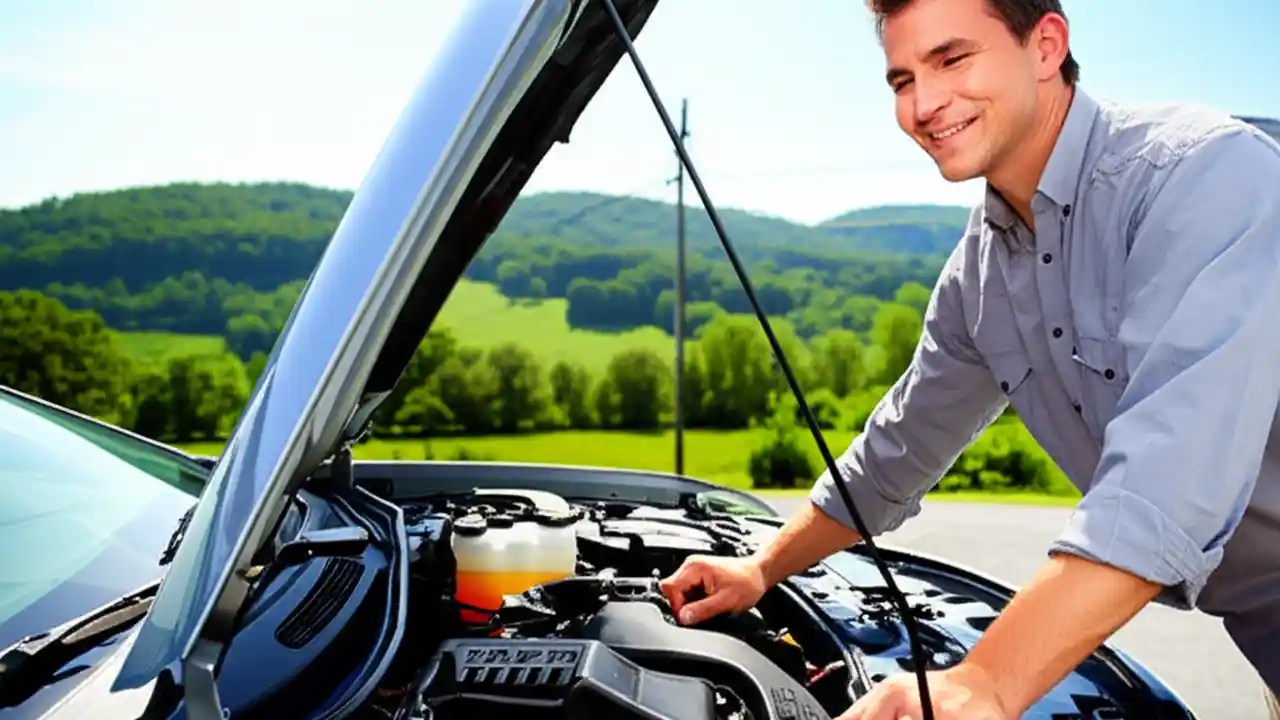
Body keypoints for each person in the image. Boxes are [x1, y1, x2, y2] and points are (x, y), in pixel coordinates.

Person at [658, 0, 1280, 717]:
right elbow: (897, 449)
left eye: (953, 60)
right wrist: (761, 567)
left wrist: (982, 682)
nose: (923, 105)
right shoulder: (980, 275)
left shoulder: (1202, 177)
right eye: (901, 80)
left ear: (1046, 45)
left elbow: (1170, 482)